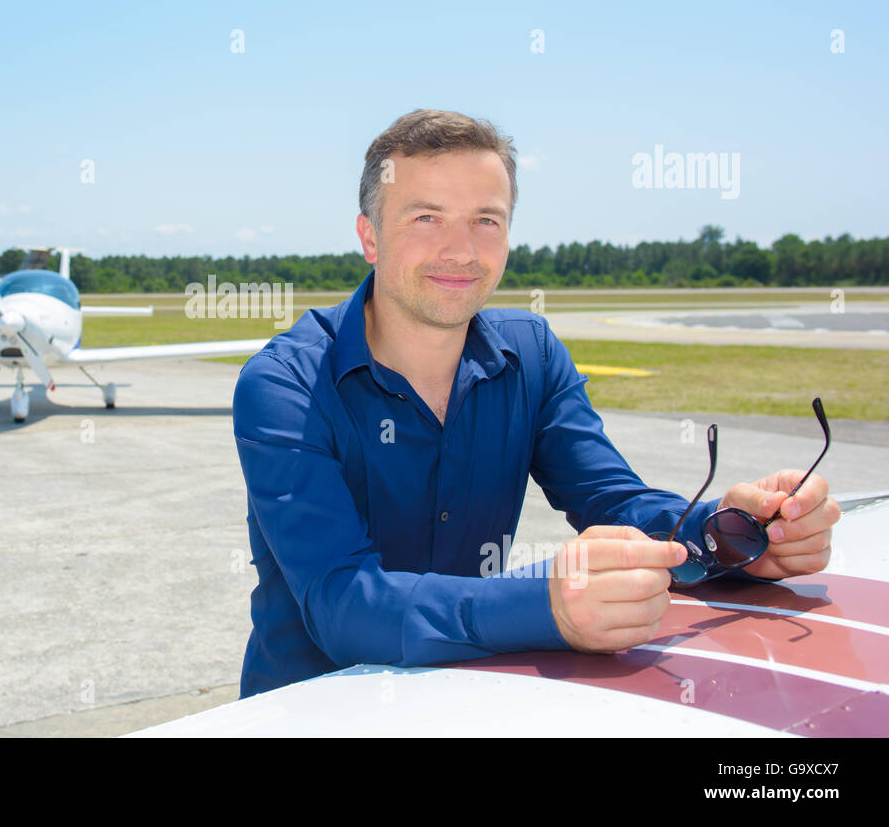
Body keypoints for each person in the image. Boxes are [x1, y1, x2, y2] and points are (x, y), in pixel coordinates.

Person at [231, 109, 840, 698]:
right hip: (310, 708)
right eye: (426, 218)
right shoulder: (286, 384)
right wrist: (546, 604)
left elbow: (612, 500)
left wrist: (729, 536)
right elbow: (341, 605)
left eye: (486, 220)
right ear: (369, 236)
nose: (461, 250)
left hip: (470, 694)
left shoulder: (533, 355)